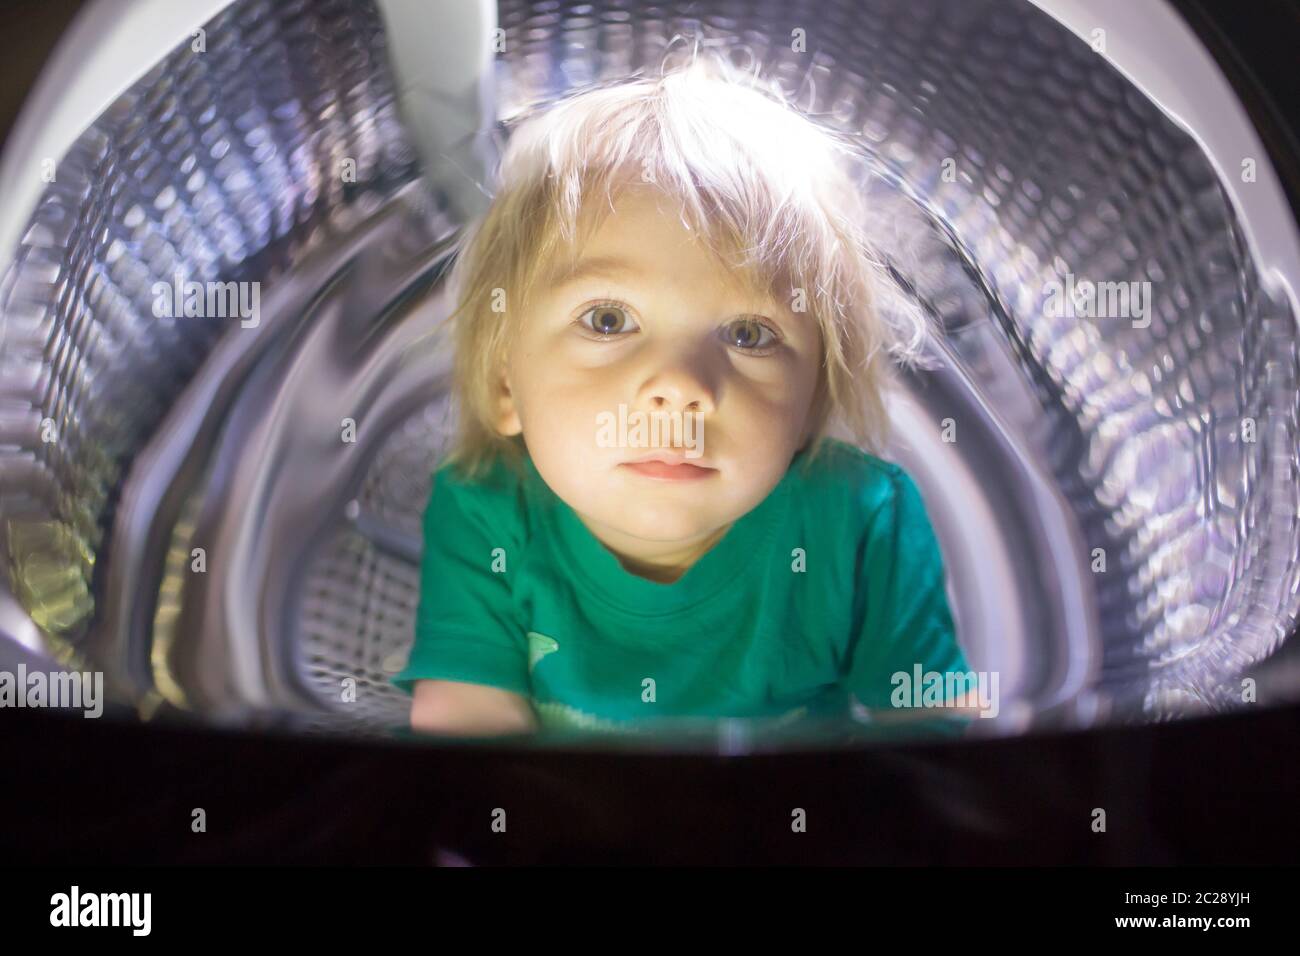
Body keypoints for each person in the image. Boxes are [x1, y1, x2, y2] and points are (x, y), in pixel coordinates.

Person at [390, 50, 979, 739]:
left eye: (750, 333)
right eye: (608, 320)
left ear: (811, 403)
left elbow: (931, 730)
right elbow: (468, 724)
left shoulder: (862, 522)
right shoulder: (486, 511)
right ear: (503, 384)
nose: (681, 387)